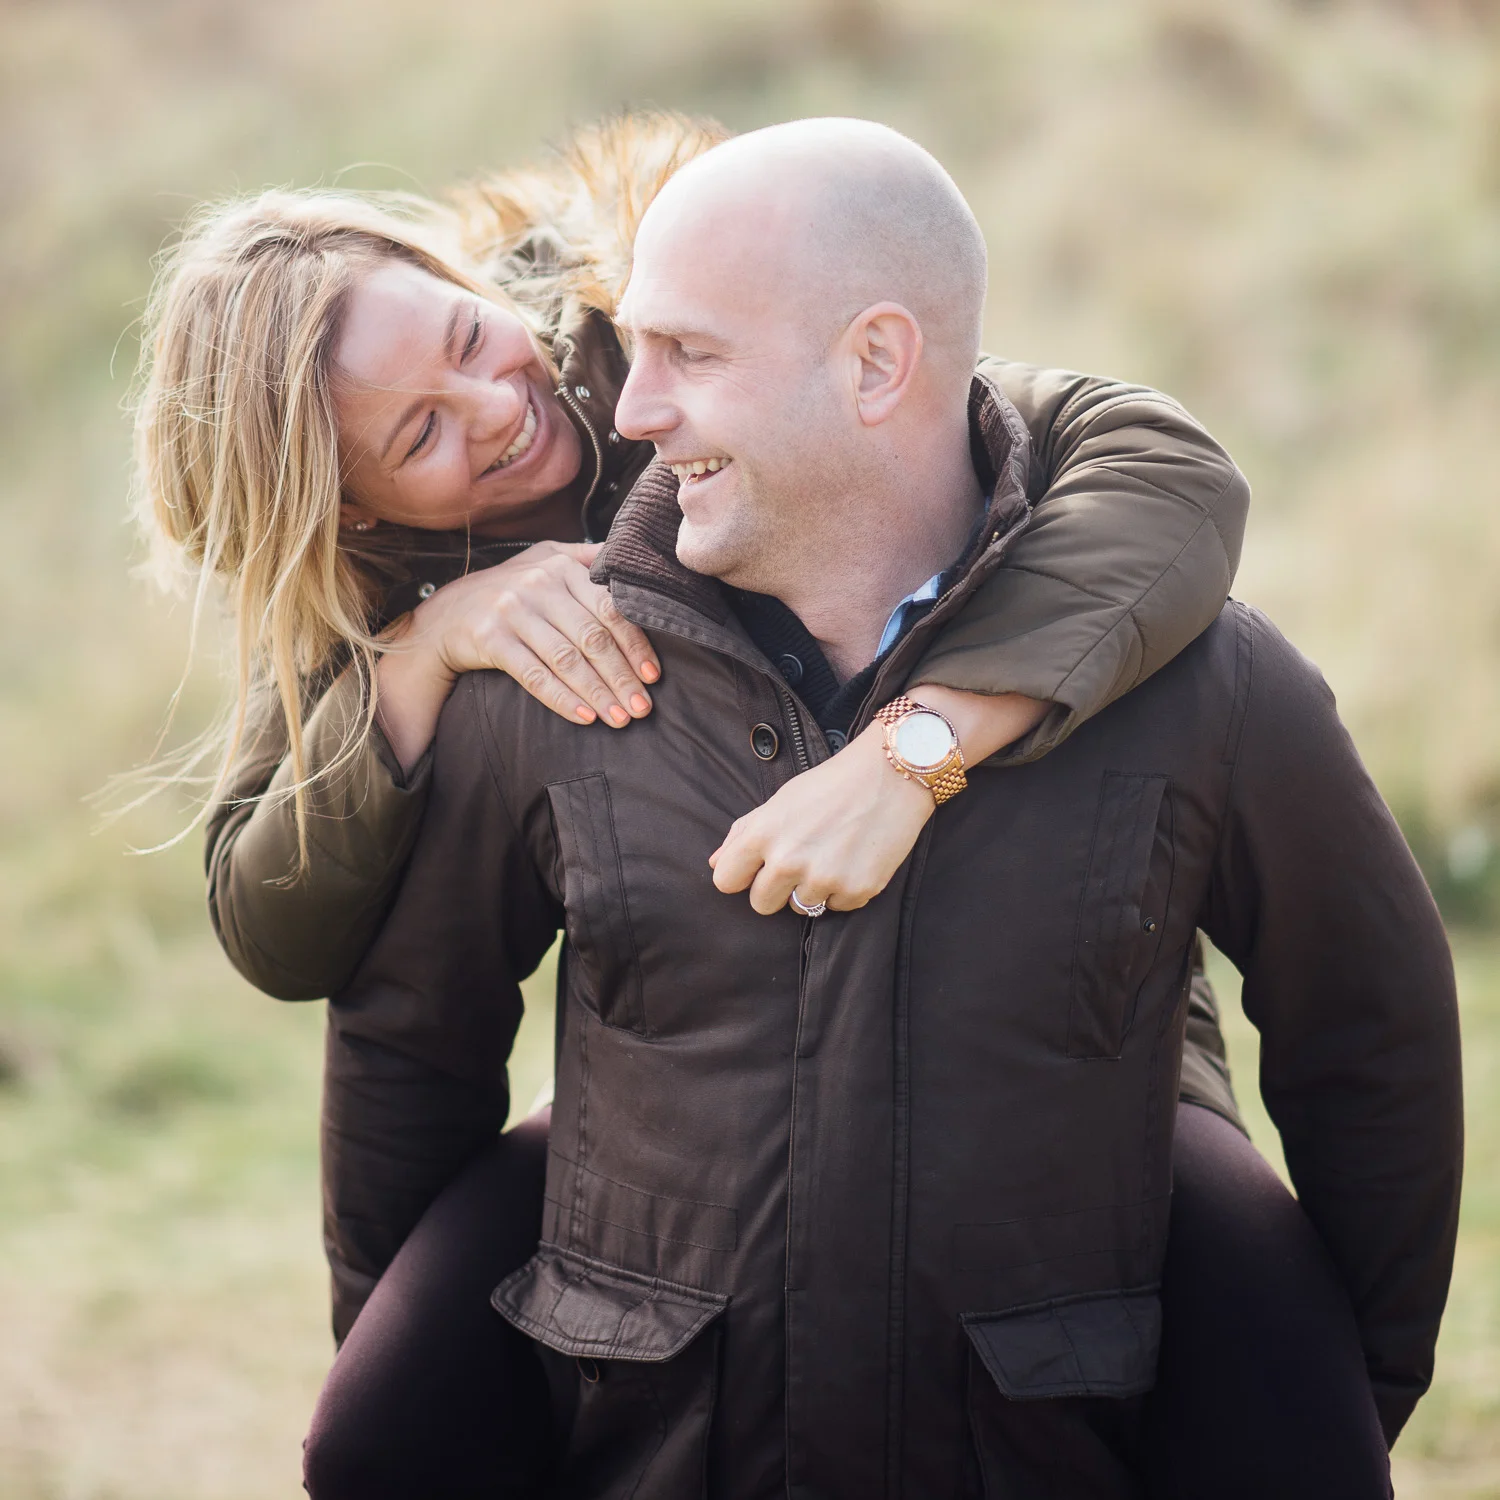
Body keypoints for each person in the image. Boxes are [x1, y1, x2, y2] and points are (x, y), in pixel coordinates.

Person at [288, 119, 1460, 1499]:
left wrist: (1355, 1390)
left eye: (690, 355)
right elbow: (410, 1045)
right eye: (636, 347)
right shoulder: (545, 671)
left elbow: (1370, 1032)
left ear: (877, 363)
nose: (629, 414)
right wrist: (416, 1374)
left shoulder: (1207, 680)